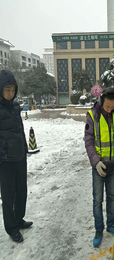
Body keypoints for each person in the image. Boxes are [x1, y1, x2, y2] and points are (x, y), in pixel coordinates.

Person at [84, 87, 114, 248]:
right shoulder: (92, 116)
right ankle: (99, 229)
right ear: (101, 101)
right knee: (98, 199)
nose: (110, 109)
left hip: (112, 165)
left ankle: (111, 225)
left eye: (112, 107)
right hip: (99, 165)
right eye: (107, 107)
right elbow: (88, 141)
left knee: (111, 196)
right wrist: (96, 162)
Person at [0, 69, 33, 243]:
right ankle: (11, 228)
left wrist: (25, 149)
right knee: (8, 195)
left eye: (13, 90)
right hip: (5, 161)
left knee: (21, 191)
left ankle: (19, 219)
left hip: (19, 156)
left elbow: (19, 130)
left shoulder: (15, 107)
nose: (11, 93)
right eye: (7, 90)